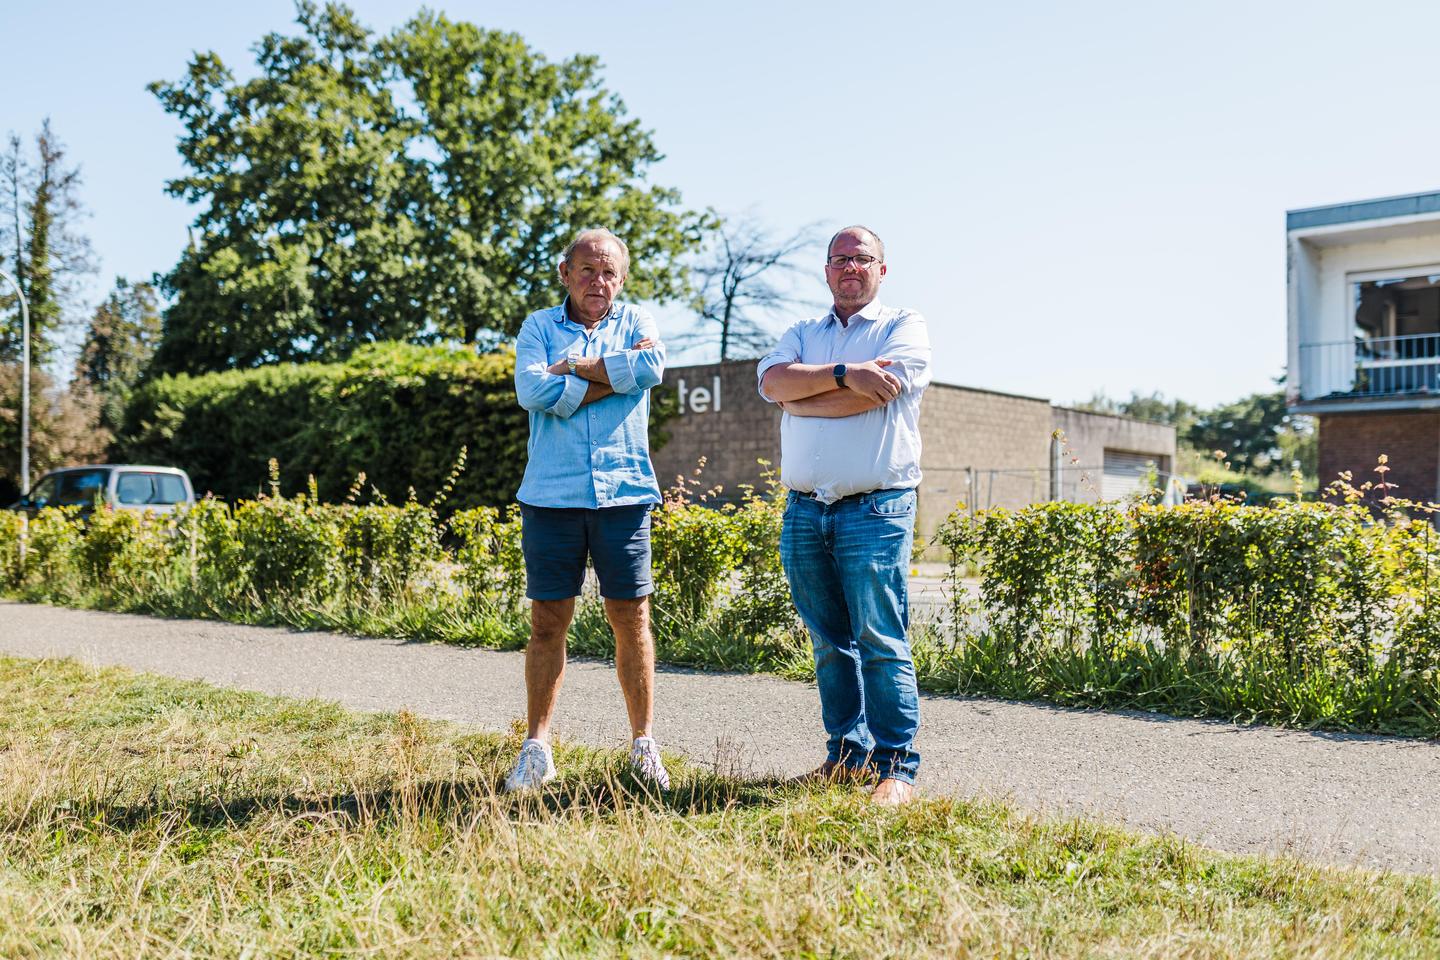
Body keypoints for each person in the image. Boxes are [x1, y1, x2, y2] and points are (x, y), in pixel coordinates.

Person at [756, 224, 931, 805]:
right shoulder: (803, 332)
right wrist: (844, 375)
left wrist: (802, 399)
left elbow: (881, 391)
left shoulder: (903, 326)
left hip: (875, 508)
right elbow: (771, 382)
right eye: (840, 259)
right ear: (826, 270)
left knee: (880, 638)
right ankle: (846, 757)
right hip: (805, 510)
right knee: (829, 642)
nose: (850, 267)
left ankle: (897, 768)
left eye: (862, 258)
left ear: (882, 269)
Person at [506, 227, 670, 792]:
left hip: (625, 493)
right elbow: (532, 393)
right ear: (565, 274)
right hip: (551, 496)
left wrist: (573, 369)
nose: (598, 281)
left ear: (621, 279)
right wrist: (615, 377)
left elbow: (653, 368)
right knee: (547, 621)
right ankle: (537, 748)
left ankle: (643, 746)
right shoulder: (537, 327)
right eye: (587, 270)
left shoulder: (638, 320)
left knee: (632, 617)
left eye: (608, 272)